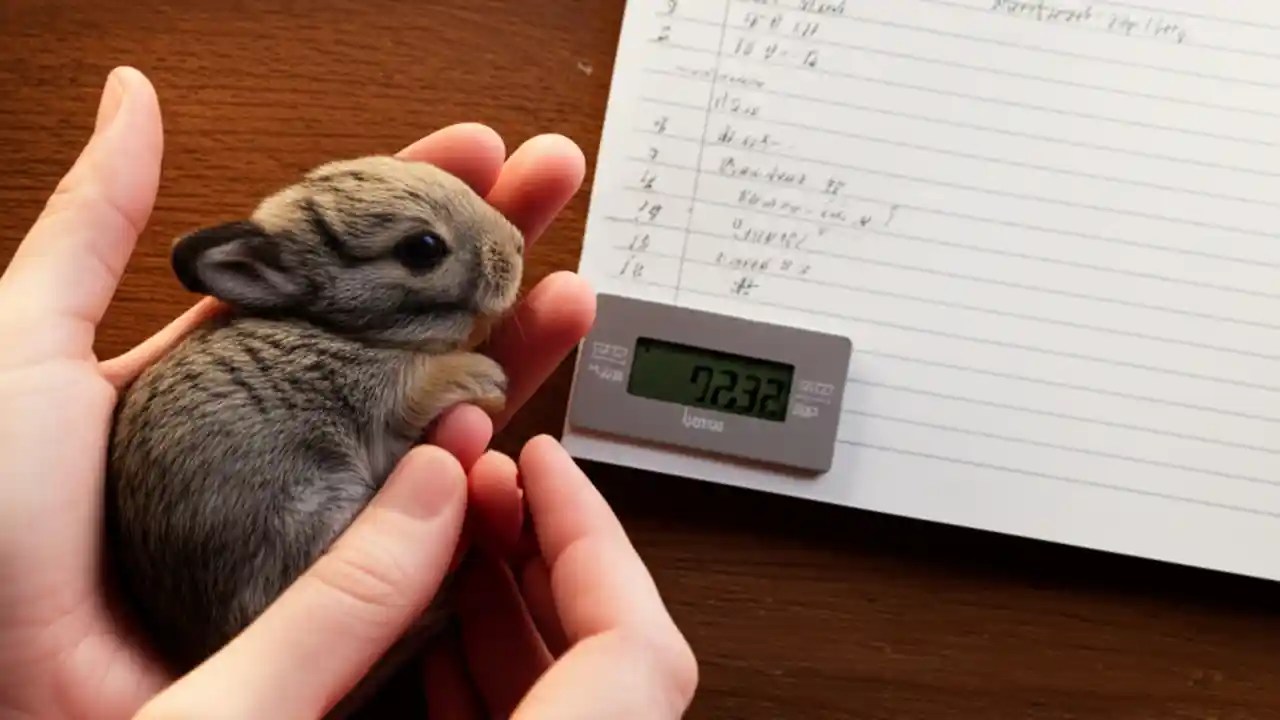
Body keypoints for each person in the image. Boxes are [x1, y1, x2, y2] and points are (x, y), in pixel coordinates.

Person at [0, 66, 697, 719]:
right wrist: (437, 381)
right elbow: (385, 396)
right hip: (261, 577)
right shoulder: (319, 358)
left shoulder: (294, 339)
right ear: (271, 276)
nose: (508, 246)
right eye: (424, 252)